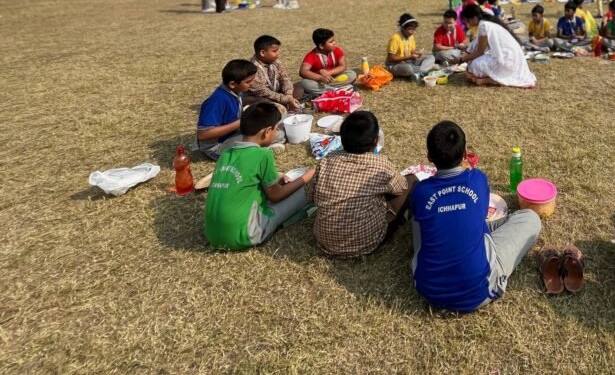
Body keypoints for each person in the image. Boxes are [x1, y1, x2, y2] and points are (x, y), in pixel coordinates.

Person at [410, 121, 541, 312]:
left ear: (429, 156)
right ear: (465, 154)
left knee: (421, 217)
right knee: (530, 218)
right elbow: (481, 216)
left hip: (428, 289)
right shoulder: (477, 179)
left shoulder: (421, 191)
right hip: (479, 290)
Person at [204, 102, 315, 251]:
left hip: (213, 236)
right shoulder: (263, 154)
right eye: (276, 129)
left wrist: (278, 176)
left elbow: (246, 177)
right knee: (308, 187)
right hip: (245, 234)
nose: (276, 133)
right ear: (267, 131)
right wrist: (307, 176)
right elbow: (276, 196)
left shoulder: (226, 154)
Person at [308, 110, 416, 258]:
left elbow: (310, 195)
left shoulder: (326, 161)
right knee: (411, 181)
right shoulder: (380, 165)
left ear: (342, 139)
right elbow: (400, 188)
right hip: (366, 243)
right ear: (376, 141)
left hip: (325, 242)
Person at [197, 60, 282, 160]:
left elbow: (239, 101)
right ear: (233, 84)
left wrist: (258, 102)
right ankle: (258, 152)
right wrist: (240, 122)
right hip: (217, 147)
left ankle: (258, 149)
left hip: (234, 134)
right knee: (274, 136)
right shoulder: (216, 101)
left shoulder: (235, 91)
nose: (252, 83)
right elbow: (203, 135)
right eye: (248, 82)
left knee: (277, 133)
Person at [459, 4, 536, 87]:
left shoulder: (483, 26)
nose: (467, 23)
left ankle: (494, 79)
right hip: (512, 58)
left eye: (467, 20)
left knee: (475, 64)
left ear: (474, 18)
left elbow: (480, 52)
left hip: (506, 60)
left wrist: (461, 60)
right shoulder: (487, 23)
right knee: (474, 62)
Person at [246, 34, 301, 115]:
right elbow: (262, 91)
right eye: (274, 51)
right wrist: (285, 99)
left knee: (299, 89)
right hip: (261, 96)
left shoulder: (276, 62)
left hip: (276, 92)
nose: (278, 53)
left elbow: (285, 78)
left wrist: (289, 95)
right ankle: (283, 107)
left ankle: (285, 105)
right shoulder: (252, 68)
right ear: (262, 53)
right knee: (264, 102)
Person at [299, 28, 357, 94]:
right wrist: (320, 78)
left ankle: (329, 90)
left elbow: (343, 66)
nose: (334, 43)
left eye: (333, 41)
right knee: (305, 83)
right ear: (321, 46)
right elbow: (303, 72)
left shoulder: (337, 50)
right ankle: (337, 90)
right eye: (331, 42)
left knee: (352, 74)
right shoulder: (311, 55)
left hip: (334, 79)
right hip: (318, 81)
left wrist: (329, 73)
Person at [386, 13, 436, 78]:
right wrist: (409, 57)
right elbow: (391, 58)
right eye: (410, 29)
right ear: (402, 28)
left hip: (409, 61)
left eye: (413, 29)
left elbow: (412, 51)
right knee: (408, 68)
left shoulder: (411, 37)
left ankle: (418, 73)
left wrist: (417, 53)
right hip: (396, 65)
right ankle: (423, 70)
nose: (412, 32)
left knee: (431, 57)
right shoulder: (395, 38)